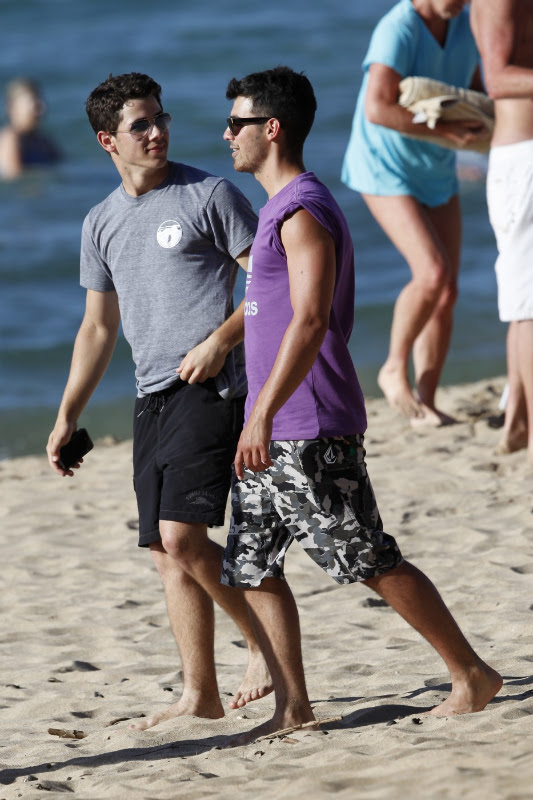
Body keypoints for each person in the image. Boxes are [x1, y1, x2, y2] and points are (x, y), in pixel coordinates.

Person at [221, 65, 502, 745]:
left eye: (236, 123)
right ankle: (293, 705)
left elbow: (311, 319)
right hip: (270, 422)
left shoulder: (302, 208)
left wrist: (262, 413)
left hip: (307, 420)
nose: (227, 134)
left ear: (271, 128)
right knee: (251, 566)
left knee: (366, 558)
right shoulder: (275, 207)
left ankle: (470, 673)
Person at [46, 72, 271, 729]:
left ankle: (261, 645)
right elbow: (97, 329)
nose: (156, 132)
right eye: (140, 125)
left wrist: (220, 342)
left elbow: (271, 282)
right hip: (151, 396)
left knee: (182, 536)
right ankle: (200, 695)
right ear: (107, 141)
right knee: (163, 552)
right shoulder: (100, 222)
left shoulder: (209, 194)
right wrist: (67, 416)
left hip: (212, 386)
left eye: (160, 119)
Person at [341, 0, 490, 426]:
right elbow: (378, 108)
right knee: (432, 273)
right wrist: (447, 130)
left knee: (448, 291)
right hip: (384, 165)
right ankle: (393, 368)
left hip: (436, 165)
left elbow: (473, 92)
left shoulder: (464, 25)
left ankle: (426, 402)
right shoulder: (399, 28)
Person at [470, 0, 533, 463]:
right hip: (523, 157)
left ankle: (518, 422)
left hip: (519, 154)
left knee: (522, 303)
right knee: (529, 306)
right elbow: (497, 77)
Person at [0, 78, 61, 179]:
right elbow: (14, 178)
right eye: (35, 105)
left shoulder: (43, 140)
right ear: (13, 108)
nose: (42, 109)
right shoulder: (10, 140)